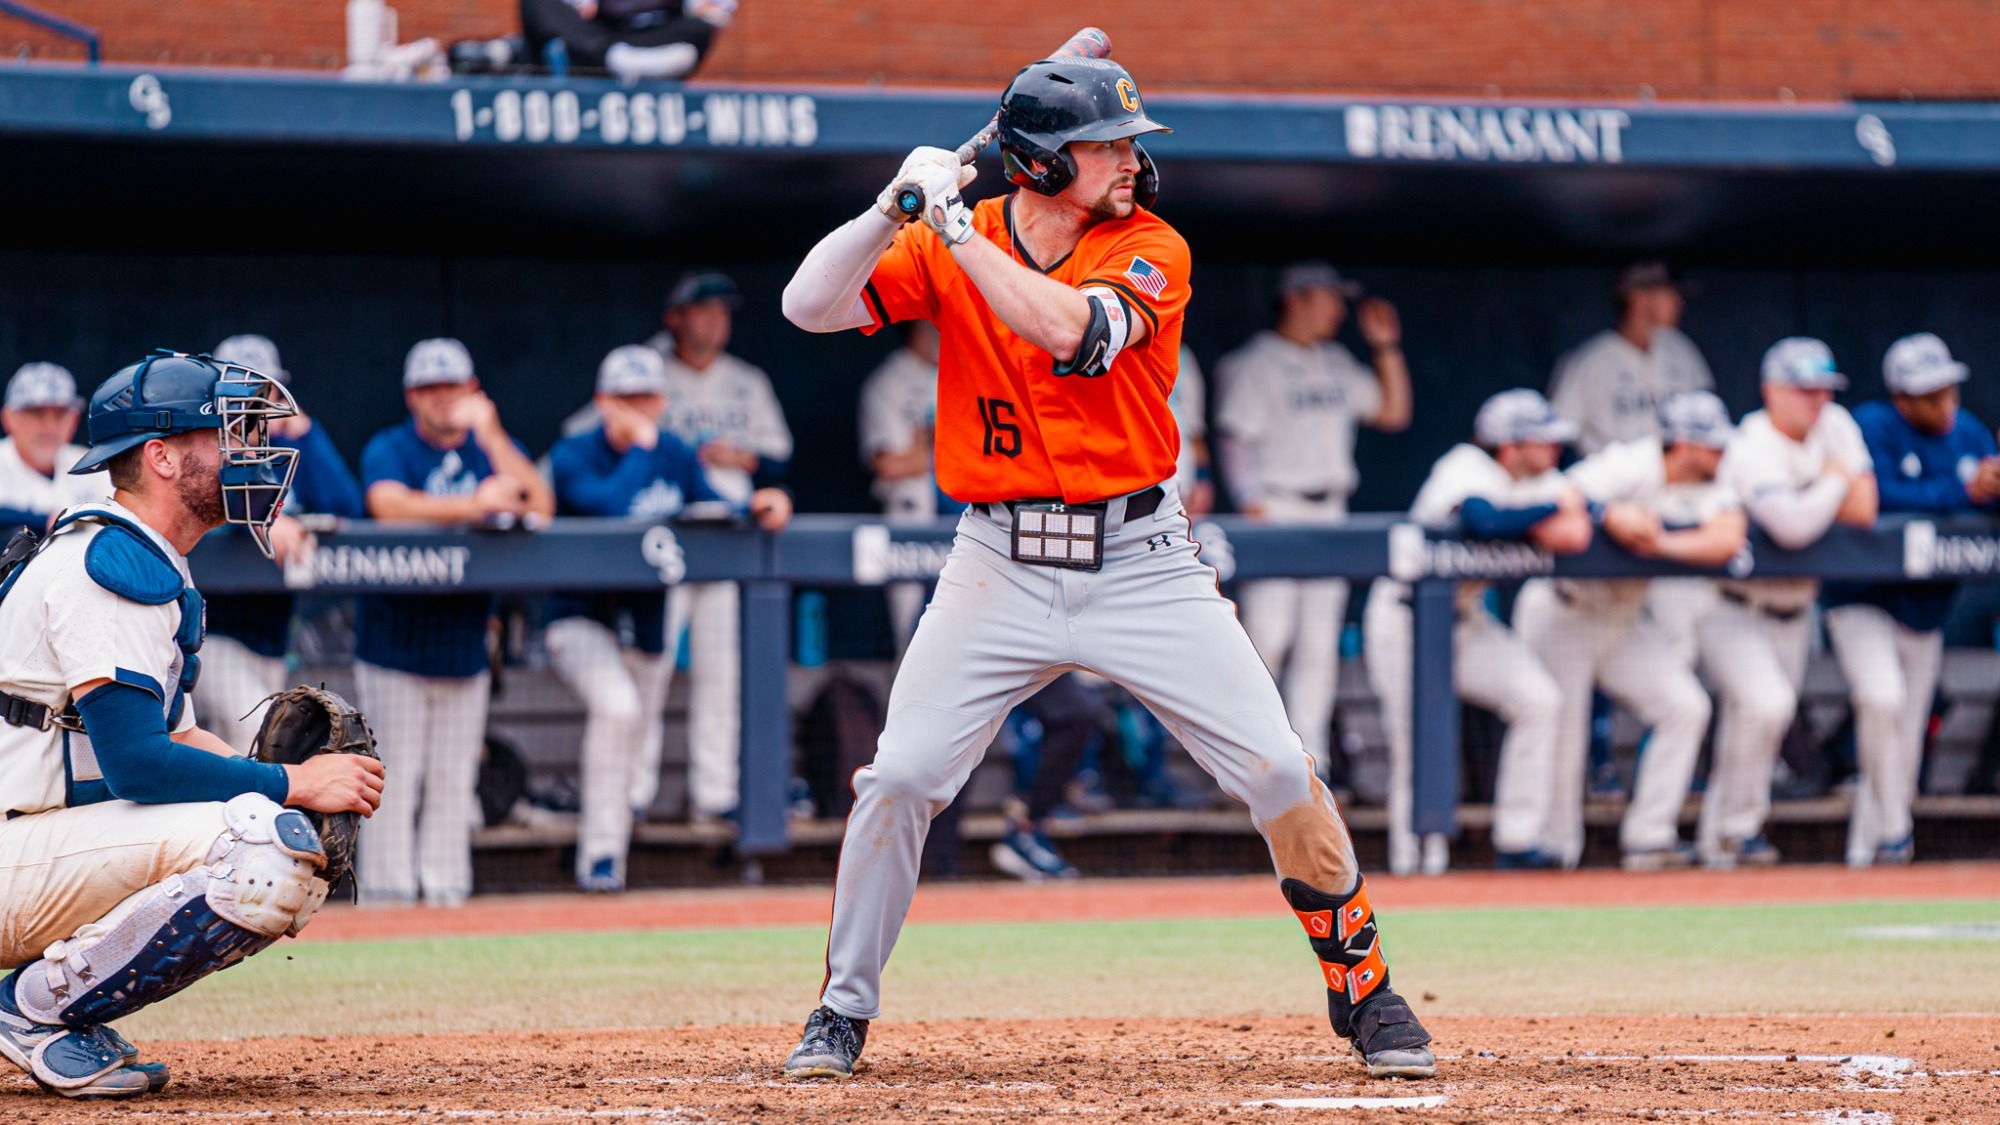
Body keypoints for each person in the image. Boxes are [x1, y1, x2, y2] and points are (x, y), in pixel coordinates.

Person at [779, 54, 1435, 1081]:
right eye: (1104, 145)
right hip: (994, 558)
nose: (1129, 160)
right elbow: (807, 306)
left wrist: (947, 227)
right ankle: (841, 1007)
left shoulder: (1148, 247)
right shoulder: (961, 236)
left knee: (1272, 767)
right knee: (899, 777)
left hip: (1140, 560)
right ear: (1040, 162)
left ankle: (1362, 985)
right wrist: (887, 209)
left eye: (1129, 142)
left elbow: (1066, 330)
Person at [0, 352, 383, 1100]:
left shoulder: (144, 556)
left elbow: (177, 741)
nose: (247, 452)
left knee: (273, 830)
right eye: (226, 433)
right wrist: (294, 782)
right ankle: (31, 1010)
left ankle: (51, 1004)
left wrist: (286, 795)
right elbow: (140, 767)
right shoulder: (107, 562)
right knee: (264, 849)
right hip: (15, 847)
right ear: (162, 456)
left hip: (32, 844)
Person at [545, 344, 792, 892]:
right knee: (619, 709)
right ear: (602, 401)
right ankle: (600, 855)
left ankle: (609, 860)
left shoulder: (674, 452)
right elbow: (607, 509)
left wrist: (759, 505)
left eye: (646, 398)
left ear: (660, 399)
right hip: (581, 620)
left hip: (647, 617)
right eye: (625, 399)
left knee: (633, 724)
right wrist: (641, 450)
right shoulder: (573, 454)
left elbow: (709, 504)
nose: (637, 409)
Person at [354, 338, 554, 906]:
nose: (443, 398)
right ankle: (390, 899)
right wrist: (476, 506)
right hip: (396, 641)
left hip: (464, 644)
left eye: (454, 386)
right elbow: (386, 506)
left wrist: (491, 437)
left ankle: (446, 900)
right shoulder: (391, 446)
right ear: (413, 395)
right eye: (431, 388)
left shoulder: (493, 448)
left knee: (450, 783)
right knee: (393, 780)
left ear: (472, 390)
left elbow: (540, 502)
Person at [1513, 392, 1745, 872]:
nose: (1721, 454)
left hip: (1622, 619)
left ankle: (1649, 836)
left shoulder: (1710, 483)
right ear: (1682, 444)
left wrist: (1658, 543)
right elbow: (1560, 493)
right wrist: (1608, 515)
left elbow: (1726, 538)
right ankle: (1554, 855)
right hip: (1564, 611)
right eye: (1711, 445)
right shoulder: (1632, 461)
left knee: (1685, 706)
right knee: (1564, 735)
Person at [1361, 389, 1590, 876]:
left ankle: (1518, 838)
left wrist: (1549, 507)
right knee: (1414, 746)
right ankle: (1413, 868)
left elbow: (1577, 530)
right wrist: (1551, 507)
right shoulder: (1464, 465)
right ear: (1508, 445)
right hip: (1404, 620)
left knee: (1540, 699)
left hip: (1466, 622)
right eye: (1540, 440)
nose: (1553, 449)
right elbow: (1483, 521)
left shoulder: (1537, 480)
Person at [1217, 261, 1412, 779]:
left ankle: (1311, 767)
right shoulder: (1258, 361)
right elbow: (1235, 436)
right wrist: (1251, 502)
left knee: (1320, 646)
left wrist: (1386, 346)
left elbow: (1392, 413)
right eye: (1330, 297)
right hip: (1277, 507)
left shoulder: (1337, 361)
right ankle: (1249, 759)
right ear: (1297, 298)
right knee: (1270, 637)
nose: (1340, 308)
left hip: (1330, 509)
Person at [1698, 337, 1877, 869]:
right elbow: (1792, 528)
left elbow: (1866, 507)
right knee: (1767, 705)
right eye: (1803, 390)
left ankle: (1719, 845)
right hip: (1733, 607)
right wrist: (1832, 485)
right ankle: (1739, 828)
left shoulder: (1836, 425)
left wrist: (1823, 492)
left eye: (1823, 389)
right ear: (1771, 391)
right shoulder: (1749, 443)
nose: (1817, 400)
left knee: (1756, 722)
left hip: (1796, 610)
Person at [1824, 334, 1999, 867]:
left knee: (1906, 734)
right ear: (1903, 399)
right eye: (1930, 396)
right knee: (1882, 700)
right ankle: (1894, 833)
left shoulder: (1966, 431)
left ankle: (1871, 854)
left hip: (1927, 613)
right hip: (1862, 600)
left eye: (1949, 391)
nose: (1945, 405)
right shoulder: (1872, 425)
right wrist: (1961, 494)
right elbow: (1875, 497)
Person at [648, 270, 795, 822]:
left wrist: (743, 458)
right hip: (664, 543)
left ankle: (714, 793)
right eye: (702, 309)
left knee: (721, 670)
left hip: (729, 539)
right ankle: (635, 794)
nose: (715, 319)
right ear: (675, 317)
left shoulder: (746, 381)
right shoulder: (647, 372)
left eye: (722, 310)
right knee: (651, 667)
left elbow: (780, 455)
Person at [194, 335, 367, 754]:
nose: (250, 400)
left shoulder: (287, 447)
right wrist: (263, 516)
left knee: (247, 745)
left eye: (263, 388)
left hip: (272, 636)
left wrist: (304, 430)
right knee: (255, 732)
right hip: (206, 634)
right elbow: (202, 508)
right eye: (238, 388)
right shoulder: (199, 443)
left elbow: (348, 506)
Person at [1549, 262, 1714, 454]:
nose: (1678, 302)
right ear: (1639, 298)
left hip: (1670, 477)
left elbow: (1709, 418)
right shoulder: (1590, 361)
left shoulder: (1681, 350)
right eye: (1669, 293)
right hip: (1610, 478)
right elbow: (1559, 429)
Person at [858, 320, 942, 651]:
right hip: (912, 516)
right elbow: (889, 465)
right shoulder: (888, 381)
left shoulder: (966, 371)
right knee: (912, 634)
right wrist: (946, 448)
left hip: (967, 517)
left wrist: (925, 448)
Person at [0, 362, 108, 535]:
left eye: (60, 415)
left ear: (74, 419)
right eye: (37, 414)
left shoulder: (92, 466)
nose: (49, 428)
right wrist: (45, 521)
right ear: (8, 418)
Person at [515, 0, 735, 80]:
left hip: (660, 38)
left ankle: (638, 65)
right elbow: (577, 12)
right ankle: (617, 60)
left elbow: (712, 12)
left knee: (700, 28)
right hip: (605, 41)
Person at [1169, 345, 1214, 516]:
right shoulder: (1114, 346)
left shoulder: (1183, 355)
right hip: (1129, 485)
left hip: (1178, 483)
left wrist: (1203, 479)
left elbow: (1194, 428)